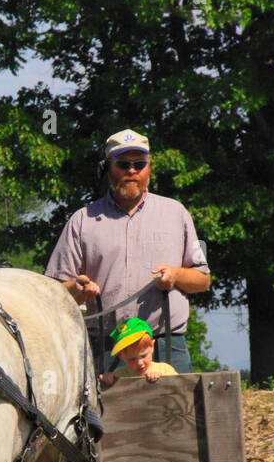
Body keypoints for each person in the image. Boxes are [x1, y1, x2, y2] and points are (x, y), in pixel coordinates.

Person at [45, 129, 210, 373]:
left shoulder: (176, 213)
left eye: (139, 164)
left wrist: (176, 275)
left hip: (164, 344)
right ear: (107, 168)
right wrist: (77, 290)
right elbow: (52, 293)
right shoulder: (82, 220)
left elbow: (202, 280)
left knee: (178, 413)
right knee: (104, 414)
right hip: (106, 345)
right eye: (123, 164)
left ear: (149, 167)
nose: (131, 171)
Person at [105, 317, 177, 384]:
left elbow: (180, 387)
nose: (139, 363)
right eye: (132, 359)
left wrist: (162, 379)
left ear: (152, 346)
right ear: (121, 355)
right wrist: (107, 380)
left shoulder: (165, 370)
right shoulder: (119, 375)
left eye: (143, 356)